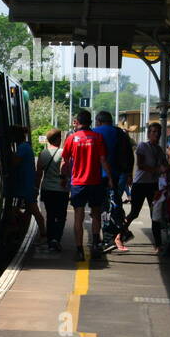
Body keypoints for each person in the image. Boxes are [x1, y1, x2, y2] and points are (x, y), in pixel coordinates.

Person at [61, 109, 114, 261]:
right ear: (91, 122)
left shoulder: (72, 139)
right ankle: (96, 245)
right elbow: (104, 160)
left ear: (77, 122)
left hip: (78, 183)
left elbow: (65, 162)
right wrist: (110, 178)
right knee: (96, 214)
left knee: (79, 215)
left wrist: (63, 177)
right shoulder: (97, 137)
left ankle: (79, 251)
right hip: (95, 182)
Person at [93, 110, 133, 250]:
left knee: (100, 208)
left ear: (98, 121)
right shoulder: (120, 133)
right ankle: (119, 232)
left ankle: (105, 239)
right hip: (115, 176)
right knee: (114, 204)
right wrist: (128, 173)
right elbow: (129, 155)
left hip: (96, 176)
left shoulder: (94, 132)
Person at [124, 121, 167, 240]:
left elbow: (165, 164)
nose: (156, 134)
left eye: (158, 132)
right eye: (153, 132)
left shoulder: (159, 149)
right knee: (134, 213)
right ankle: (119, 233)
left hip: (153, 185)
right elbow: (141, 164)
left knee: (155, 214)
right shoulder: (143, 146)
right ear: (148, 134)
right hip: (140, 184)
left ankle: (158, 243)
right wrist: (157, 170)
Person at [12, 127, 46, 241]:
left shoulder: (22, 148)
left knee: (33, 210)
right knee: (28, 210)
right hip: (26, 184)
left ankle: (43, 233)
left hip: (26, 185)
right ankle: (21, 230)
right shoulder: (26, 147)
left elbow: (14, 162)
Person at [37, 128, 68, 252]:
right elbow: (66, 169)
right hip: (61, 190)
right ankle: (56, 239)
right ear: (58, 139)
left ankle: (50, 241)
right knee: (61, 216)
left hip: (47, 189)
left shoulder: (43, 154)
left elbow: (38, 173)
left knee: (50, 215)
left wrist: (35, 188)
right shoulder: (63, 152)